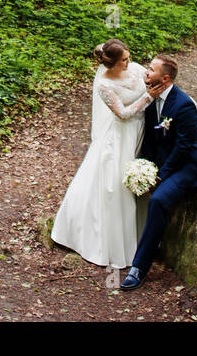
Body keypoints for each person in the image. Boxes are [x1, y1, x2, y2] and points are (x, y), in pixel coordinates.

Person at [50, 39, 158, 269]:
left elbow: (153, 78)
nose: (130, 63)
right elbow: (123, 113)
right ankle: (108, 240)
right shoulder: (104, 85)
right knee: (113, 185)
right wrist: (148, 98)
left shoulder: (136, 69)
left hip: (141, 130)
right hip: (120, 136)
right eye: (124, 61)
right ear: (112, 64)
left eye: (129, 57)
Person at [120, 53, 197, 291]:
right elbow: (152, 140)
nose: (146, 72)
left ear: (166, 78)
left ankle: (139, 267)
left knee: (160, 199)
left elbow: (184, 147)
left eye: (151, 70)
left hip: (187, 165)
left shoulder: (184, 105)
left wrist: (160, 176)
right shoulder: (151, 100)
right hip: (165, 161)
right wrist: (143, 166)